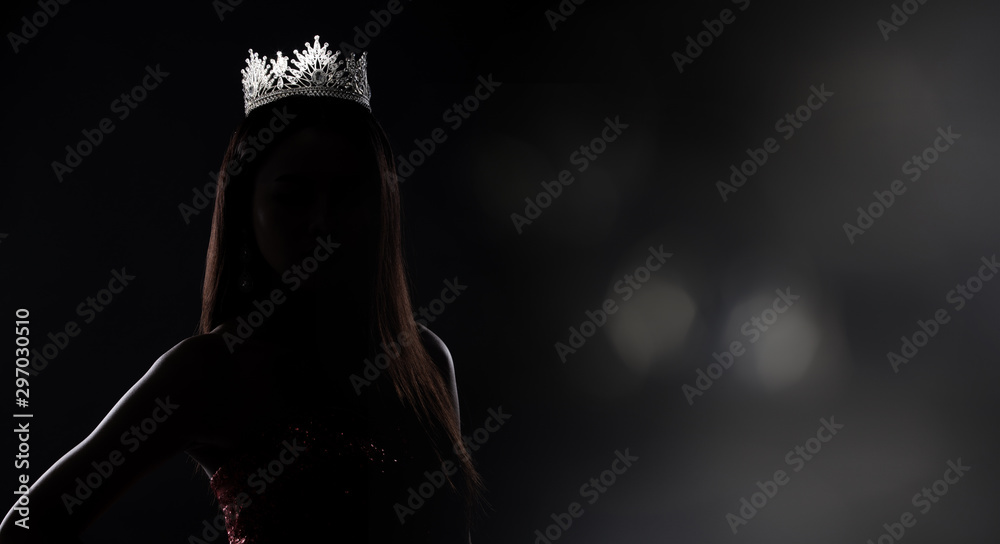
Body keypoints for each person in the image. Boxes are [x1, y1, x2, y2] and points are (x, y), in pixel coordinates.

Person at [0, 35, 483, 543]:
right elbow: (27, 528)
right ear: (245, 211)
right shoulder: (210, 370)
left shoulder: (424, 358)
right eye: (293, 198)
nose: (323, 222)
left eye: (348, 193)